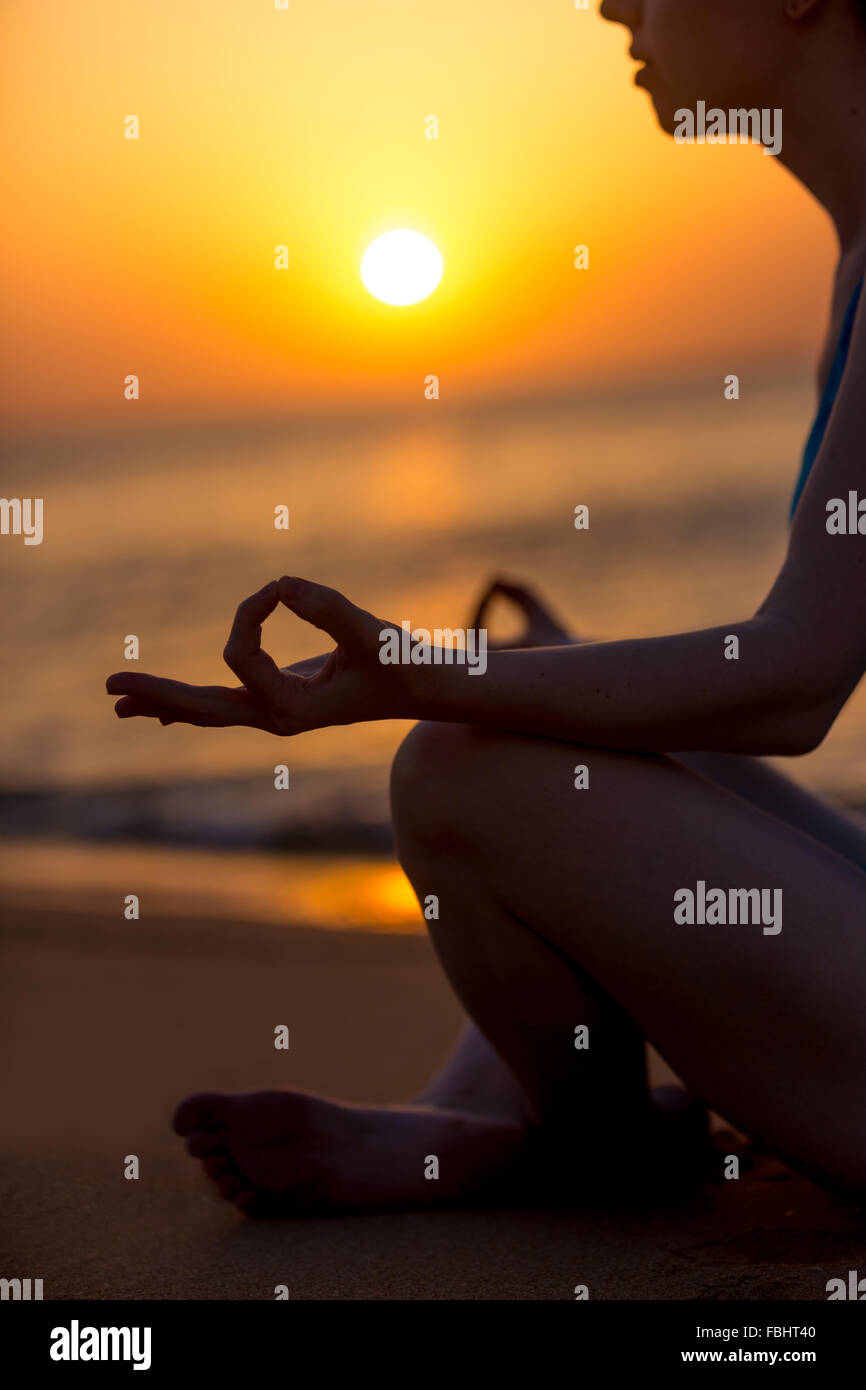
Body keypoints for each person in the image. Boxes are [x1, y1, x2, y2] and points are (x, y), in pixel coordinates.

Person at [107, 0, 866, 1215]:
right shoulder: (853, 260)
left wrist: (413, 676)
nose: (609, 4)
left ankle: (556, 1147)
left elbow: (793, 681)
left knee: (459, 766)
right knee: (551, 717)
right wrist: (543, 684)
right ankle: (508, 1121)